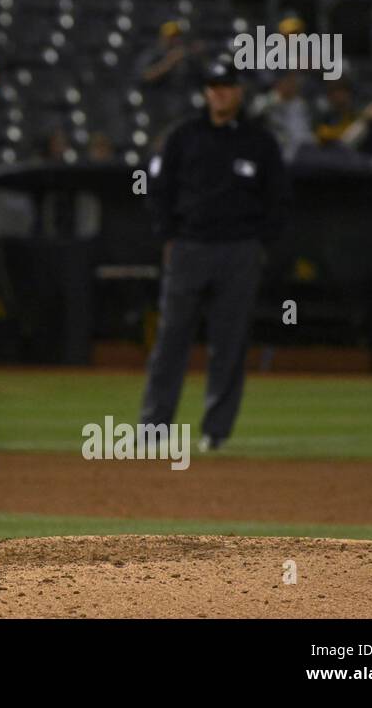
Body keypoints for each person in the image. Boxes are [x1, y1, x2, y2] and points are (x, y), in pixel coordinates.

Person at [140, 64, 290, 451]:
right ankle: (154, 429)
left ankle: (216, 432)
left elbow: (279, 199)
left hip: (239, 250)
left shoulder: (260, 141)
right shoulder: (183, 136)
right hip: (189, 247)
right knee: (172, 339)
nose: (220, 93)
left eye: (226, 86)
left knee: (230, 343)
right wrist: (167, 236)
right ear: (205, 92)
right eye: (213, 87)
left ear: (239, 92)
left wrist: (261, 244)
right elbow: (158, 191)